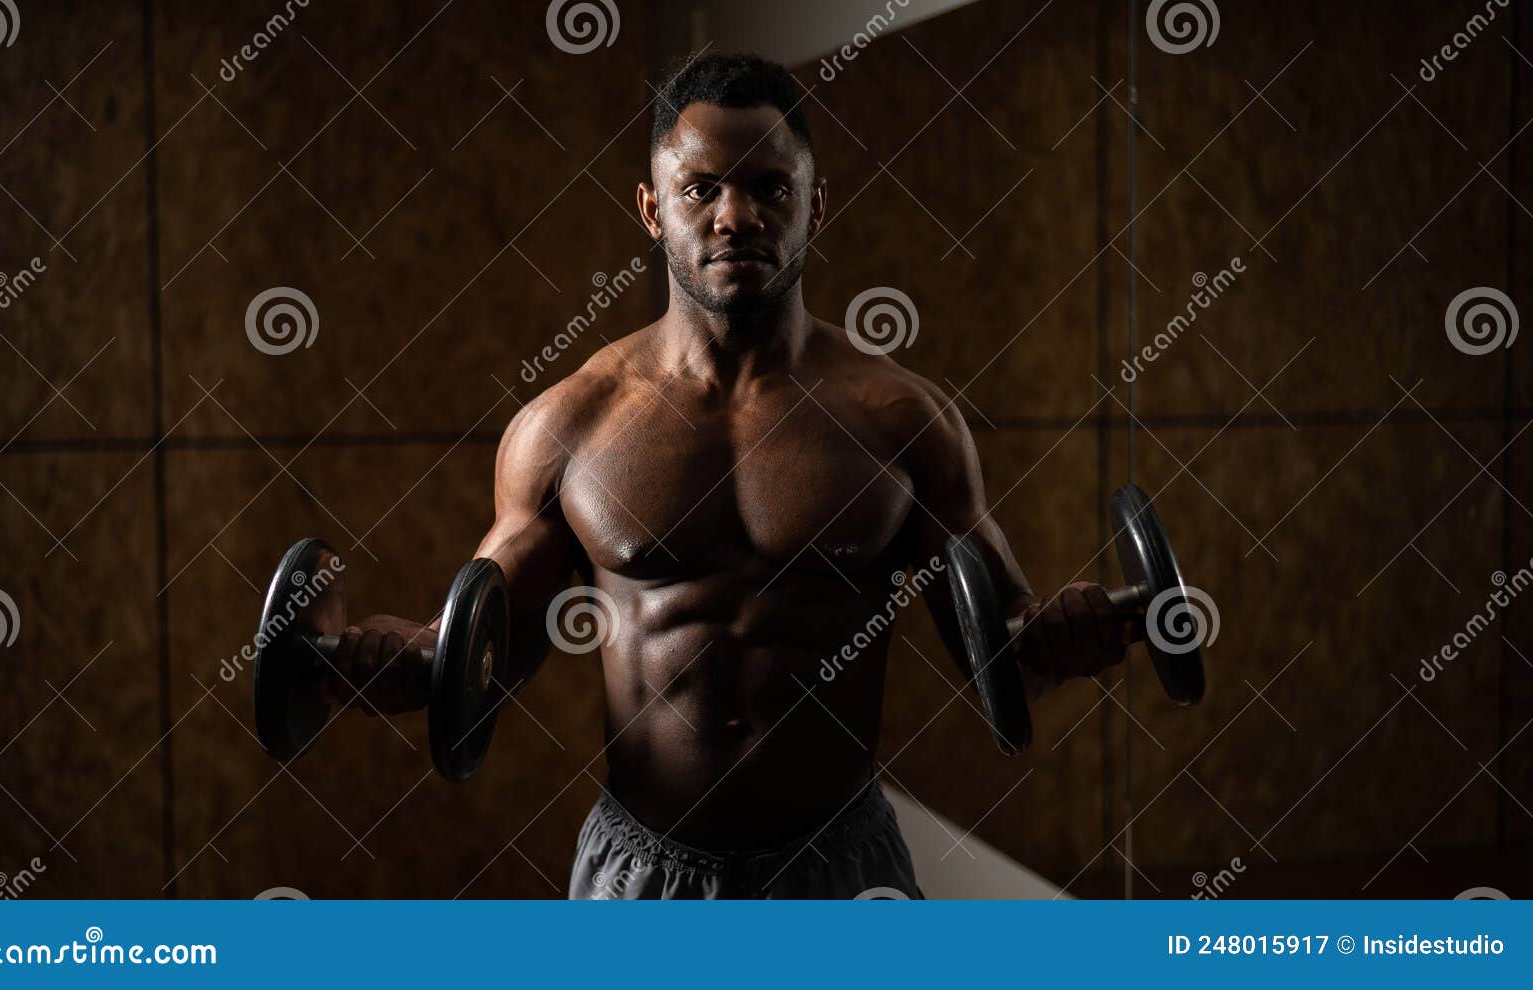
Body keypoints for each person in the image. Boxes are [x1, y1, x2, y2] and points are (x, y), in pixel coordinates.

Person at [322, 52, 1132, 899]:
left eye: (769, 188)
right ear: (652, 210)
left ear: (816, 203)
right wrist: (403, 659)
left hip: (838, 873)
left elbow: (1002, 651)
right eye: (700, 189)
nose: (734, 216)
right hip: (643, 877)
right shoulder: (568, 425)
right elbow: (489, 650)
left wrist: (1068, 631)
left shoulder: (901, 422)